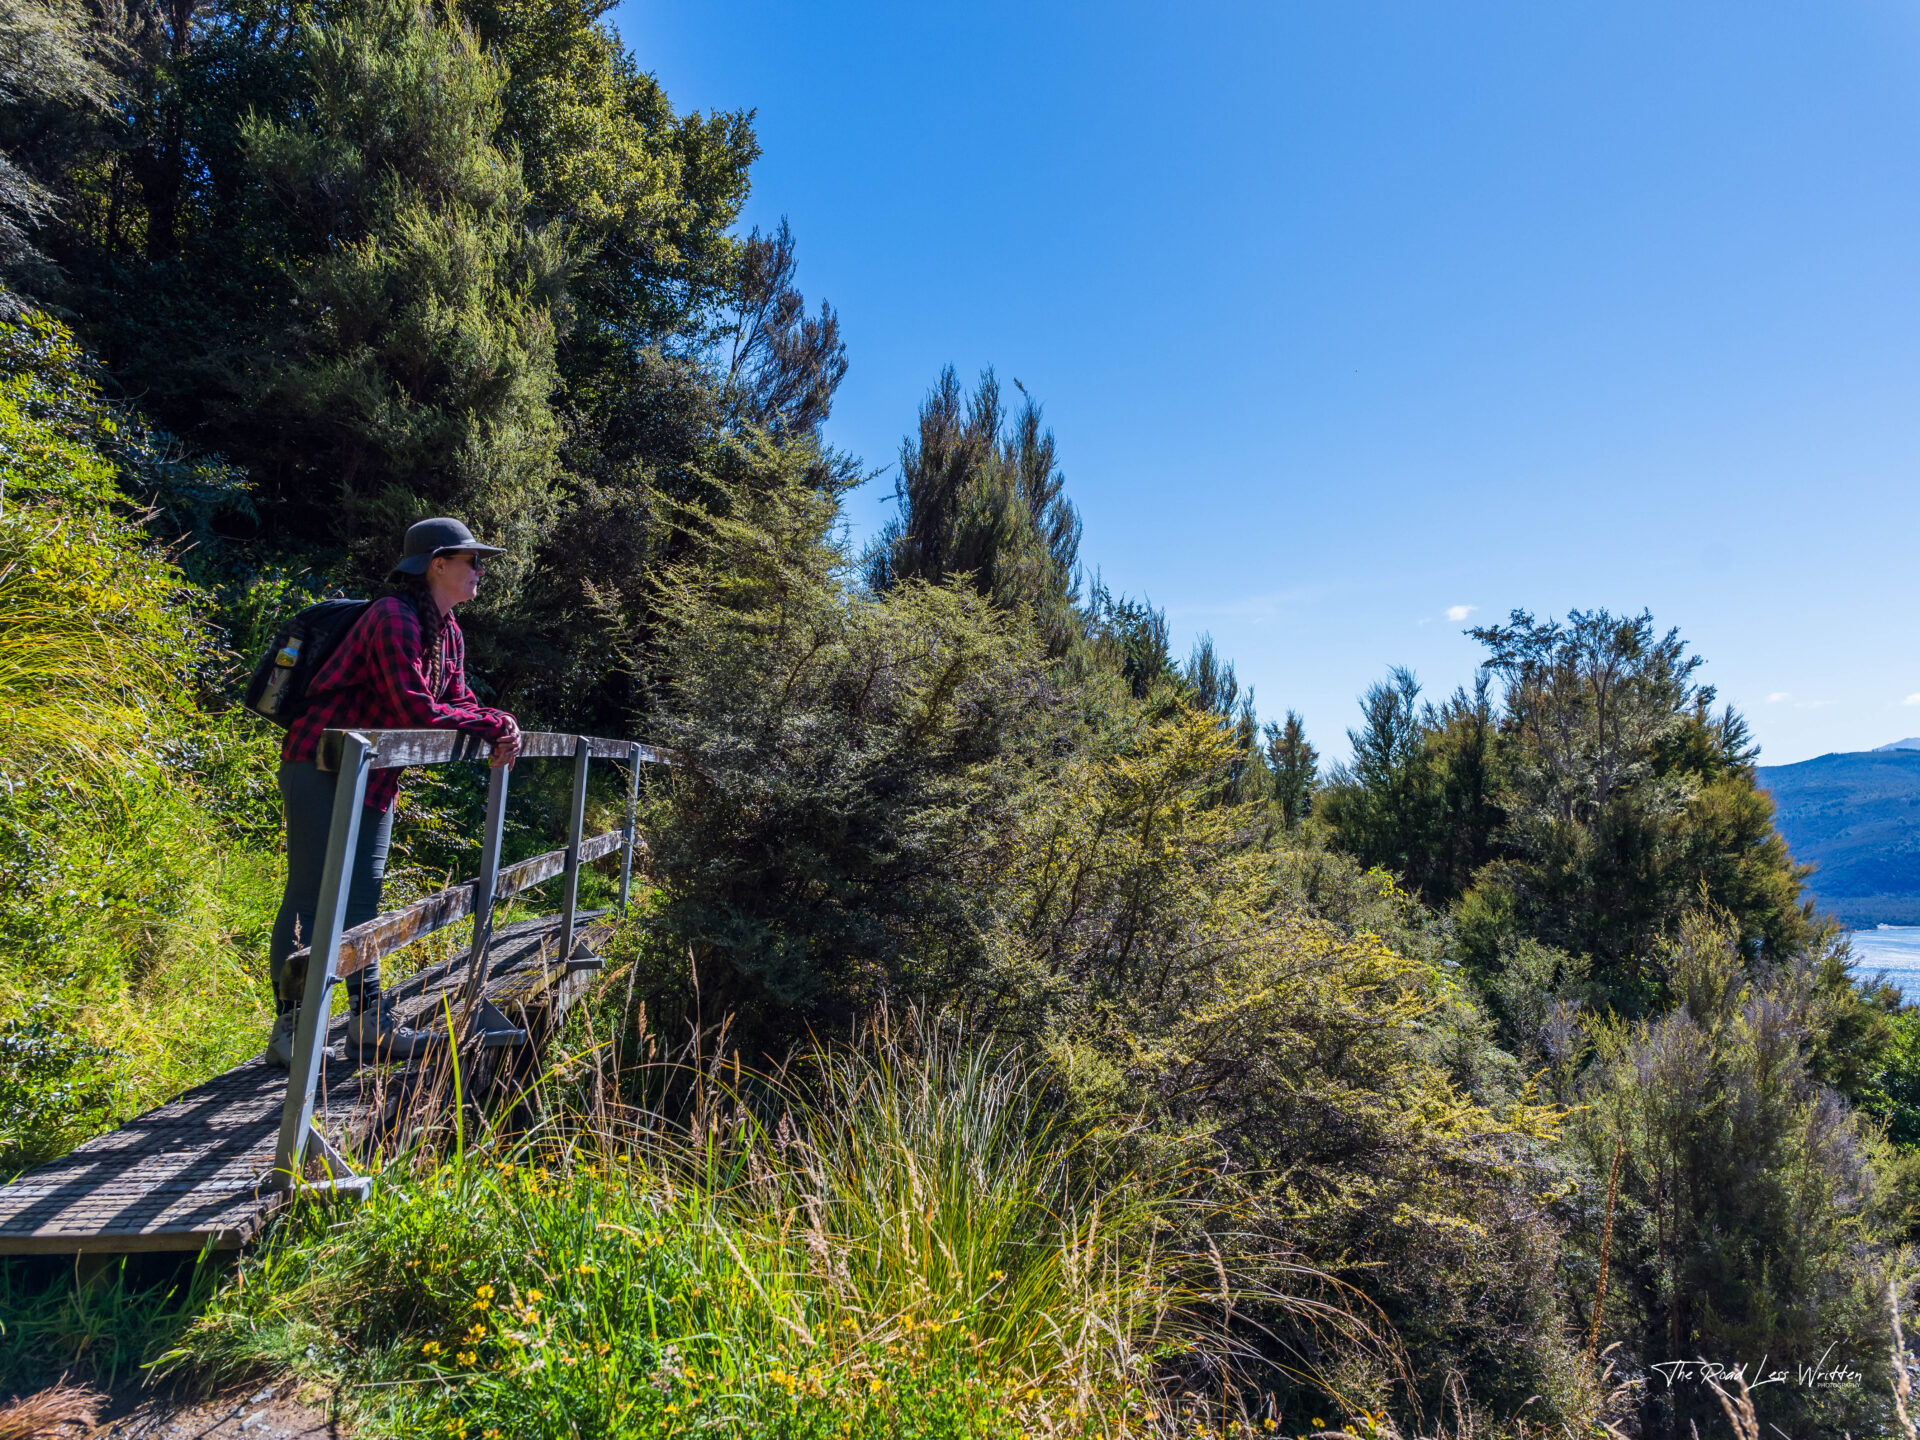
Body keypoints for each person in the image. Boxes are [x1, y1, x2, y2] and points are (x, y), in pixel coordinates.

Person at [266, 517, 523, 1066]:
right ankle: (290, 1030)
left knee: (362, 901)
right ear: (437, 564)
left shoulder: (447, 630)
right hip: (319, 763)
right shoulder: (393, 616)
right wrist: (488, 724)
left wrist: (501, 721)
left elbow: (462, 702)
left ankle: (368, 1022)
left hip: (375, 773)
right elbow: (416, 709)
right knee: (310, 899)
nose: (480, 571)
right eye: (470, 561)